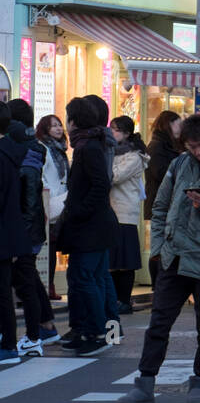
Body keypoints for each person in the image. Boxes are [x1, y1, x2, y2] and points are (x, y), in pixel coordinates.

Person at [117, 113, 200, 403]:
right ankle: (145, 384)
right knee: (159, 323)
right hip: (175, 258)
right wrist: (159, 248)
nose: (198, 152)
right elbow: (160, 206)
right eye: (192, 147)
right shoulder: (179, 165)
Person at [58, 96, 120, 356]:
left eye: (67, 118)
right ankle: (90, 329)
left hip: (91, 226)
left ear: (73, 120)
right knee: (88, 277)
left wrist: (79, 210)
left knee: (87, 278)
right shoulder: (93, 143)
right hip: (94, 225)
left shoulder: (88, 147)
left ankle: (97, 332)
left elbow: (100, 184)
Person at [7, 99, 59, 355]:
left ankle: (33, 336)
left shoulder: (24, 152)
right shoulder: (33, 148)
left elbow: (27, 195)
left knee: (24, 280)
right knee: (29, 278)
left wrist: (22, 235)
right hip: (31, 224)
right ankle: (47, 326)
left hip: (24, 227)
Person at [0, 102, 33, 364]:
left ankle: (8, 344)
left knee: (2, 292)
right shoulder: (14, 153)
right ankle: (8, 342)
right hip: (11, 231)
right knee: (4, 291)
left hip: (3, 232)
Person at [109, 117, 149, 313]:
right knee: (112, 261)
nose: (112, 133)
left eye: (115, 130)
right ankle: (115, 300)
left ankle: (124, 300)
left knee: (124, 262)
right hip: (109, 212)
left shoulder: (134, 156)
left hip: (125, 212)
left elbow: (114, 177)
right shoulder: (110, 151)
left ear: (126, 133)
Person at [145, 110, 182, 286]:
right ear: (168, 124)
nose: (180, 127)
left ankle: (165, 285)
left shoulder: (174, 146)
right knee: (159, 248)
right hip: (160, 205)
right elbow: (159, 173)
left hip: (173, 204)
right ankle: (157, 286)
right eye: (177, 123)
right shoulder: (157, 146)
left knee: (170, 247)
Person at [36, 115, 69, 300]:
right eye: (53, 126)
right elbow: (41, 174)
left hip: (61, 201)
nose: (58, 128)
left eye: (59, 125)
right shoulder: (43, 148)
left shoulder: (61, 149)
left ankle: (51, 285)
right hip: (51, 201)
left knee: (55, 245)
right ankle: (47, 286)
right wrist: (47, 194)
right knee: (48, 247)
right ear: (44, 129)